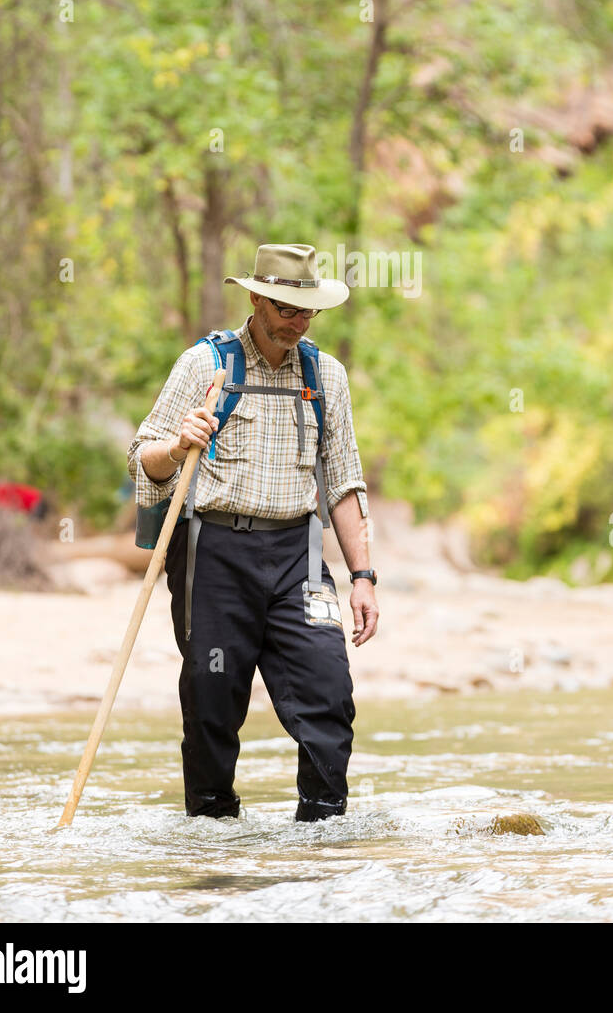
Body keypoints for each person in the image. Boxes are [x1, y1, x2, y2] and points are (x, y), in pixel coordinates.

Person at [127, 242, 379, 822]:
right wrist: (180, 444)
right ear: (257, 298)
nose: (298, 321)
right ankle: (213, 828)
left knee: (329, 691)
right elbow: (145, 458)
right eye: (287, 309)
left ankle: (320, 831)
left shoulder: (326, 375)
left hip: (299, 554)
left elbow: (343, 484)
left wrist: (363, 576)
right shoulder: (203, 366)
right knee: (212, 698)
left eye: (307, 310)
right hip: (215, 552)